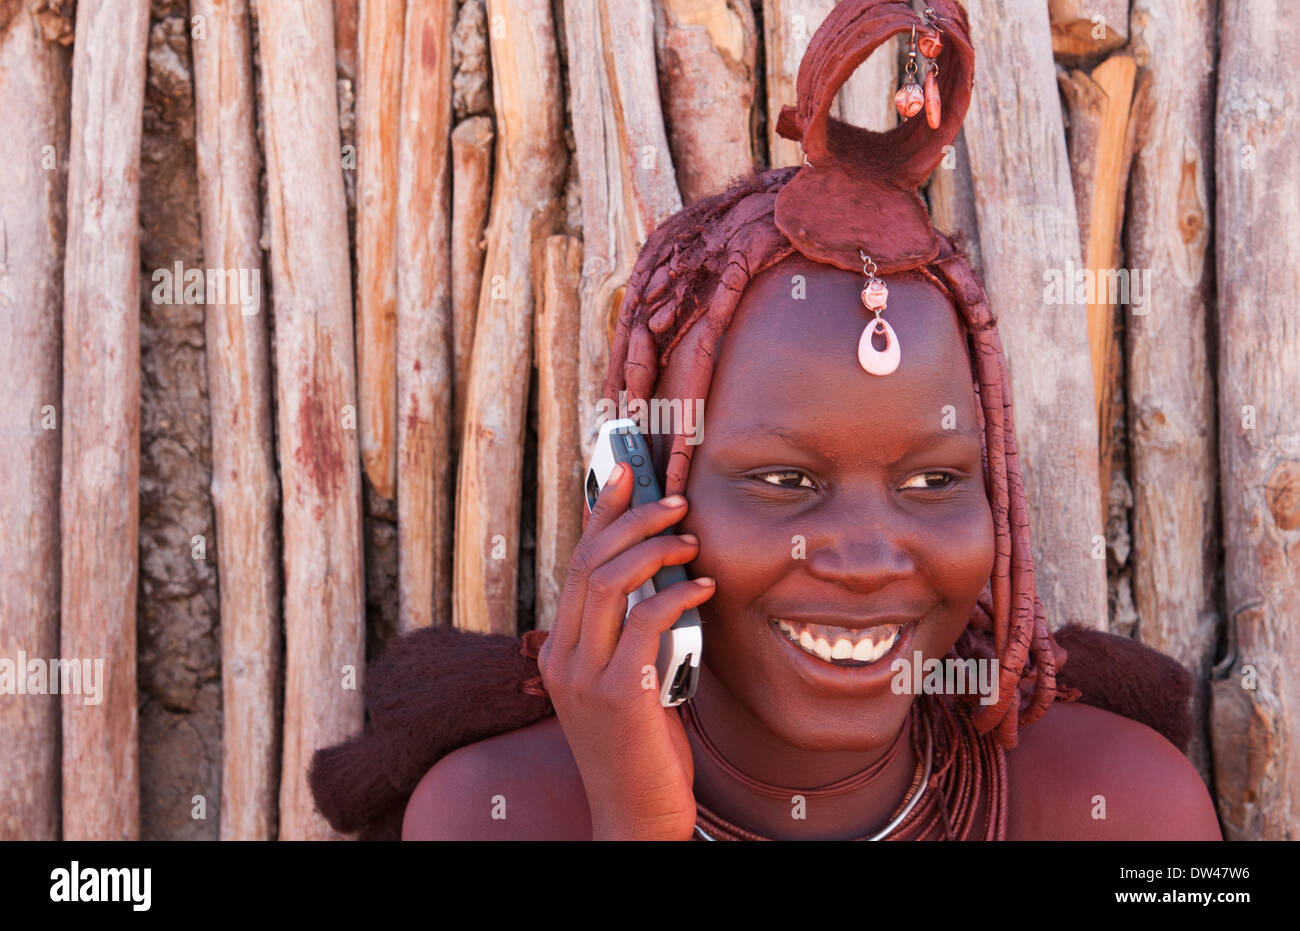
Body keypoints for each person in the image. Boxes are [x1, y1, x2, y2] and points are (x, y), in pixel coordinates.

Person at [313, 0, 1221, 841]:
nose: (867, 556)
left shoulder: (1128, 808)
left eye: (934, 480)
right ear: (634, 494)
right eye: (785, 481)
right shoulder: (495, 816)